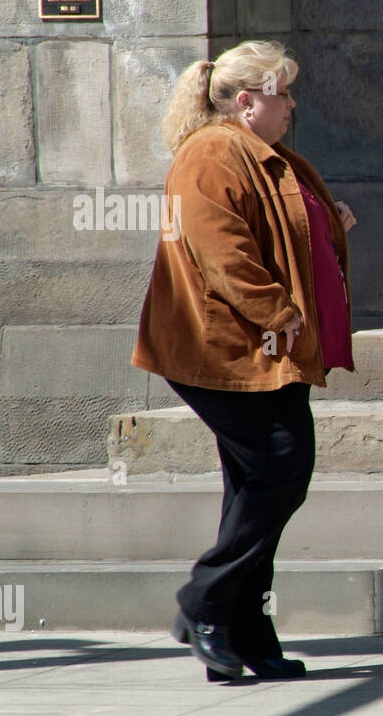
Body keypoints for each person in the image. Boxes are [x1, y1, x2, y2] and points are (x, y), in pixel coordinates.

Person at [132, 40, 357, 681]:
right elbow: (221, 249)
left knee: (254, 484)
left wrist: (332, 225)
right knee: (282, 468)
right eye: (283, 93)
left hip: (264, 354)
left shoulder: (261, 152)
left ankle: (242, 632)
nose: (292, 104)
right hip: (224, 349)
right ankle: (205, 601)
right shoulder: (212, 151)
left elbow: (275, 228)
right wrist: (278, 312)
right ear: (248, 100)